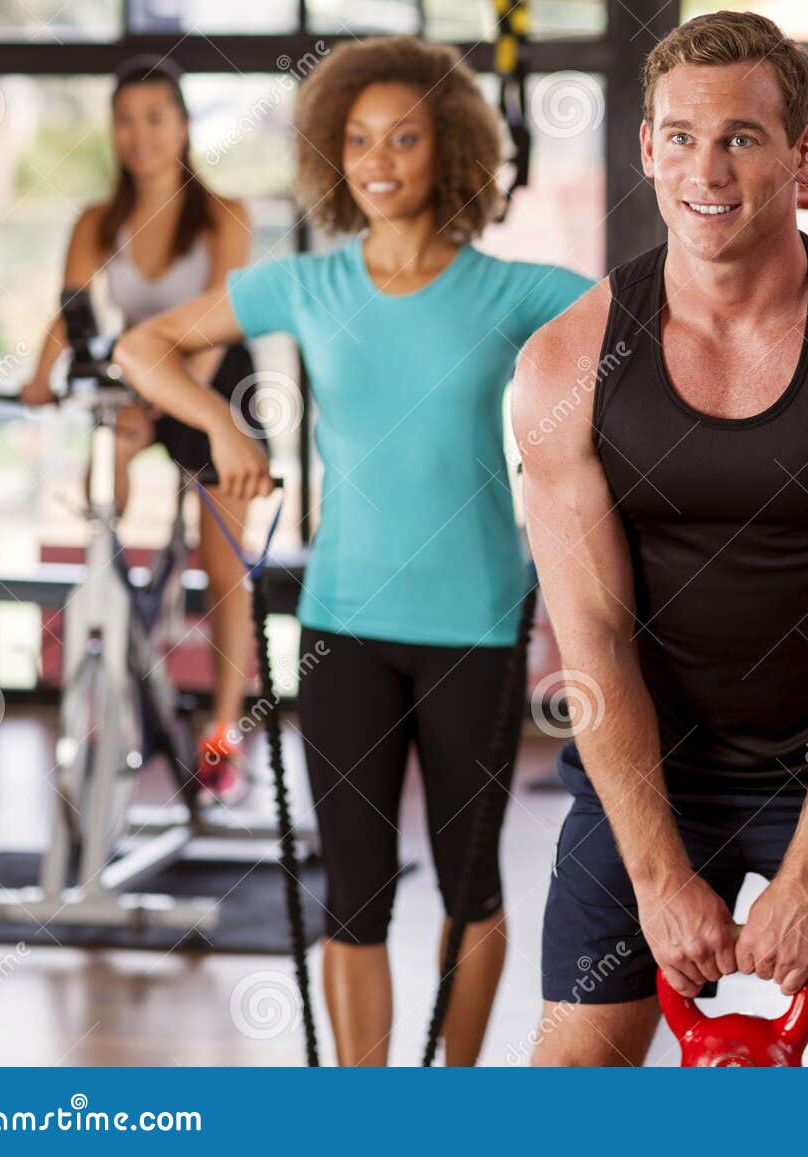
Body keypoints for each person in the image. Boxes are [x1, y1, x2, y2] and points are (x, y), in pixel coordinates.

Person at [113, 36, 591, 1066]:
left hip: (475, 620)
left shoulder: (507, 291)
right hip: (342, 626)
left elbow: (658, 323)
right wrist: (224, 427)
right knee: (355, 890)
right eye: (359, 139)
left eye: (405, 137)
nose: (379, 160)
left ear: (450, 149)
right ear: (335, 154)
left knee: (474, 888)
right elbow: (140, 347)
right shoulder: (308, 284)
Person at [513, 10, 808, 1067]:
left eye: (741, 137)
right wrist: (659, 875)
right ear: (645, 148)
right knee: (565, 1083)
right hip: (652, 770)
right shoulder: (565, 365)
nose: (704, 169)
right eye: (678, 136)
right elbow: (592, 645)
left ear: (802, 154)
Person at [22, 55, 260, 801]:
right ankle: (117, 628)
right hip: (137, 379)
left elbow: (219, 323)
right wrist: (38, 377)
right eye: (126, 120)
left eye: (155, 119)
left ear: (183, 127)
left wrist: (169, 387)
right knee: (105, 481)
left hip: (216, 382)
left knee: (223, 567)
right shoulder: (99, 221)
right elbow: (74, 315)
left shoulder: (224, 213)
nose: (139, 135)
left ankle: (224, 732)